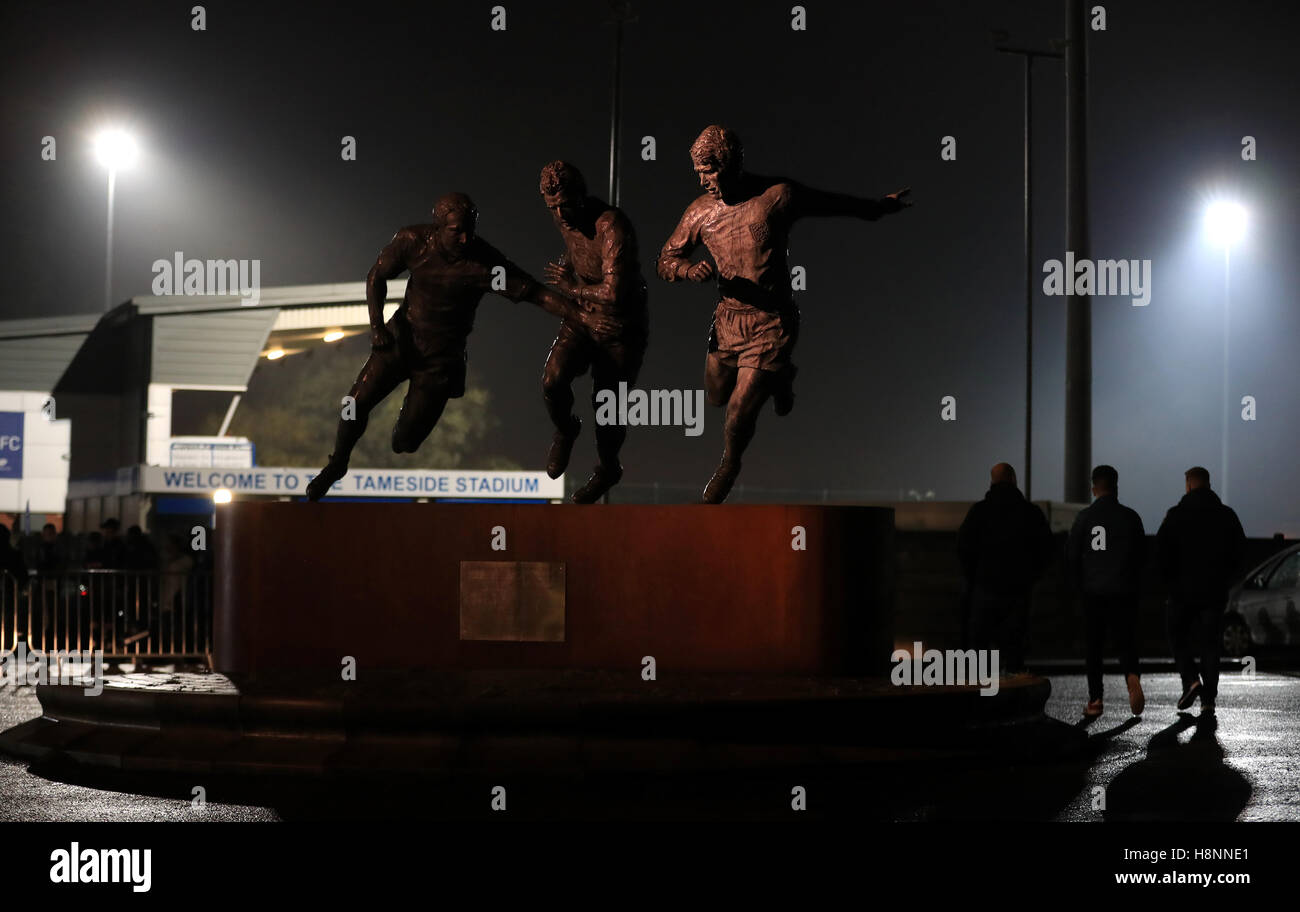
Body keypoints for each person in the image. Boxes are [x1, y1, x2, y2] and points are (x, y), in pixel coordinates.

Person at [657, 125, 911, 503]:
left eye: (709, 170)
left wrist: (877, 208)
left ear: (730, 164)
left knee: (739, 411)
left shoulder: (776, 197)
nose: (703, 179)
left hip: (771, 323)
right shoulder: (700, 213)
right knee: (715, 396)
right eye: (698, 172)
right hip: (728, 321)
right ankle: (781, 378)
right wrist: (688, 271)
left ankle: (729, 463)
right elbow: (666, 259)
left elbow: (830, 203)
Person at [306, 193, 617, 501]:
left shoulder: (484, 264)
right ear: (438, 228)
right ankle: (337, 465)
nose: (465, 239)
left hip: (441, 360)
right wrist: (377, 327)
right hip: (401, 340)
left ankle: (418, 409)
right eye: (456, 231)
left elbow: (537, 294)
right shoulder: (413, 240)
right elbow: (377, 276)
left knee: (405, 443)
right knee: (354, 402)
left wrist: (580, 315)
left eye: (470, 230)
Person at [537, 161, 650, 503]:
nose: (560, 213)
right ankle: (567, 428)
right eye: (552, 206)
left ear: (581, 196)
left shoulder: (612, 226)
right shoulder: (561, 216)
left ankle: (607, 468)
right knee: (552, 380)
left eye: (565, 204)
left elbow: (614, 292)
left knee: (608, 406)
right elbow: (577, 251)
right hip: (583, 316)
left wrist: (571, 287)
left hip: (621, 325)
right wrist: (570, 267)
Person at [1156, 466, 1246, 716]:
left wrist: (1170, 582)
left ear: (1188, 485)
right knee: (1210, 645)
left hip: (1182, 592)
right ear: (1209, 484)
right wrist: (1226, 580)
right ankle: (1208, 700)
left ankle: (1190, 679)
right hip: (1214, 591)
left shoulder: (1175, 515)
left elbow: (1161, 553)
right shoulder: (1226, 515)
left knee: (1176, 634)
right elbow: (1240, 553)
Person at [957, 463, 1055, 673]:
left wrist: (975, 577)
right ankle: (1013, 698)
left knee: (979, 650)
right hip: (1018, 591)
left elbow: (963, 547)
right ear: (1014, 479)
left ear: (992, 481)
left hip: (985, 588)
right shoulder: (1030, 513)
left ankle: (980, 697)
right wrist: (1031, 578)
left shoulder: (979, 511)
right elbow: (1046, 550)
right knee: (1014, 649)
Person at [1066, 465, 1147, 718]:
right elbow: (1142, 556)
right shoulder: (1130, 517)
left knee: (1094, 647)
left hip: (1093, 592)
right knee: (1126, 640)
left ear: (1094, 488)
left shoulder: (1085, 517)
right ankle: (1132, 675)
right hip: (1123, 590)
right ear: (1116, 486)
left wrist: (1079, 585)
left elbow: (1071, 556)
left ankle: (1096, 699)